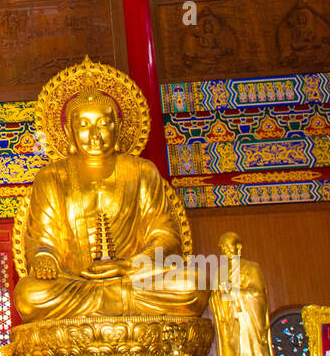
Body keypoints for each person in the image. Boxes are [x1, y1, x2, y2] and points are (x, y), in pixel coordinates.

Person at [14, 89, 206, 321]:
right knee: (28, 295)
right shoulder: (51, 177)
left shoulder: (142, 172)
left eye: (104, 124)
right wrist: (46, 259)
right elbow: (42, 241)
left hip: (134, 279)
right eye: (84, 125)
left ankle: (108, 300)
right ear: (68, 131)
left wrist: (129, 265)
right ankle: (114, 301)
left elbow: (166, 238)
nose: (95, 135)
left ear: (118, 127)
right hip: (76, 284)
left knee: (195, 284)